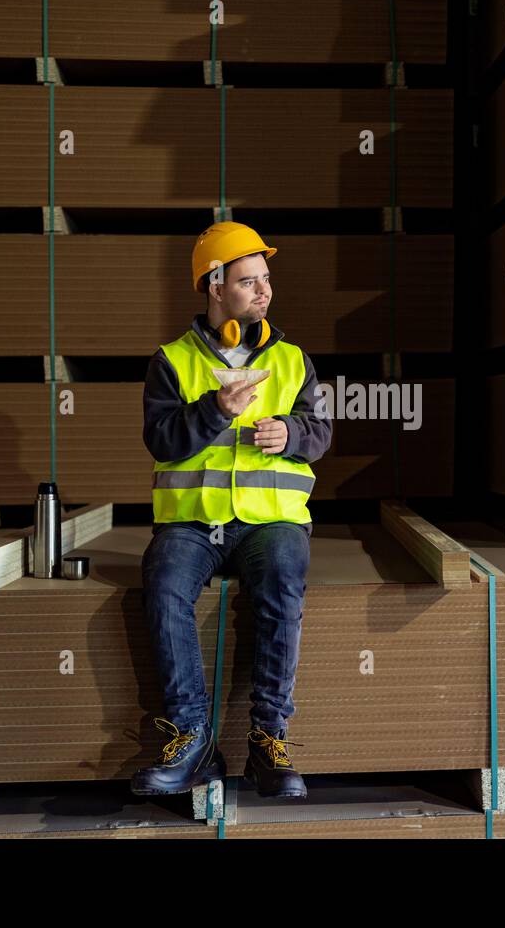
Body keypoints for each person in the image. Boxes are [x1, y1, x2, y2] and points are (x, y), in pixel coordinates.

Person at [132, 221, 332, 799]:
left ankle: (269, 740)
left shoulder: (294, 361)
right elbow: (162, 441)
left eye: (266, 279)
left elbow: (320, 432)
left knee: (283, 584)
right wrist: (215, 411)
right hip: (193, 523)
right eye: (249, 281)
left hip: (271, 522)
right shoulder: (170, 361)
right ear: (215, 287)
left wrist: (291, 433)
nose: (264, 291)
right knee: (165, 584)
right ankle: (191, 739)